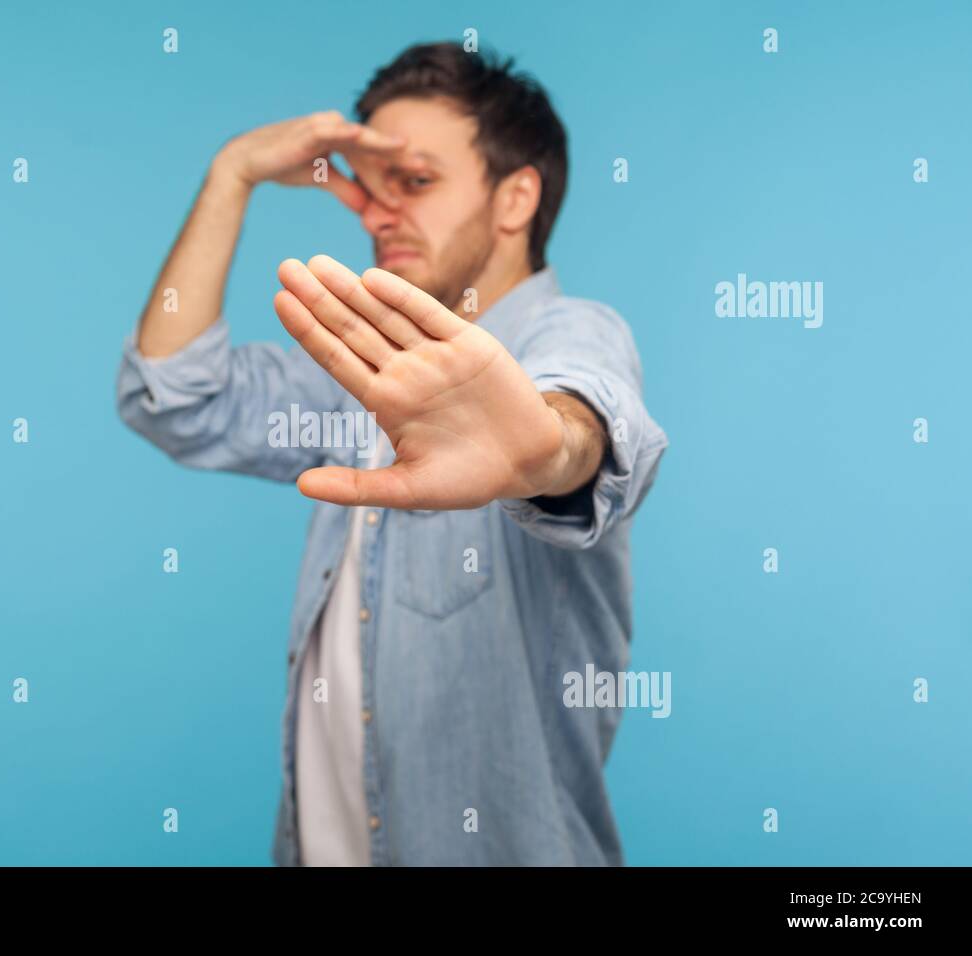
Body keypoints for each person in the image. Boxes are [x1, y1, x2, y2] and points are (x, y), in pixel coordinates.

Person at [116, 42, 669, 865]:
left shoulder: (571, 332)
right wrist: (232, 174)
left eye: (415, 182)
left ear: (516, 197)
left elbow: (589, 424)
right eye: (371, 192)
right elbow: (173, 397)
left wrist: (543, 450)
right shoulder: (367, 377)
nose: (378, 215)